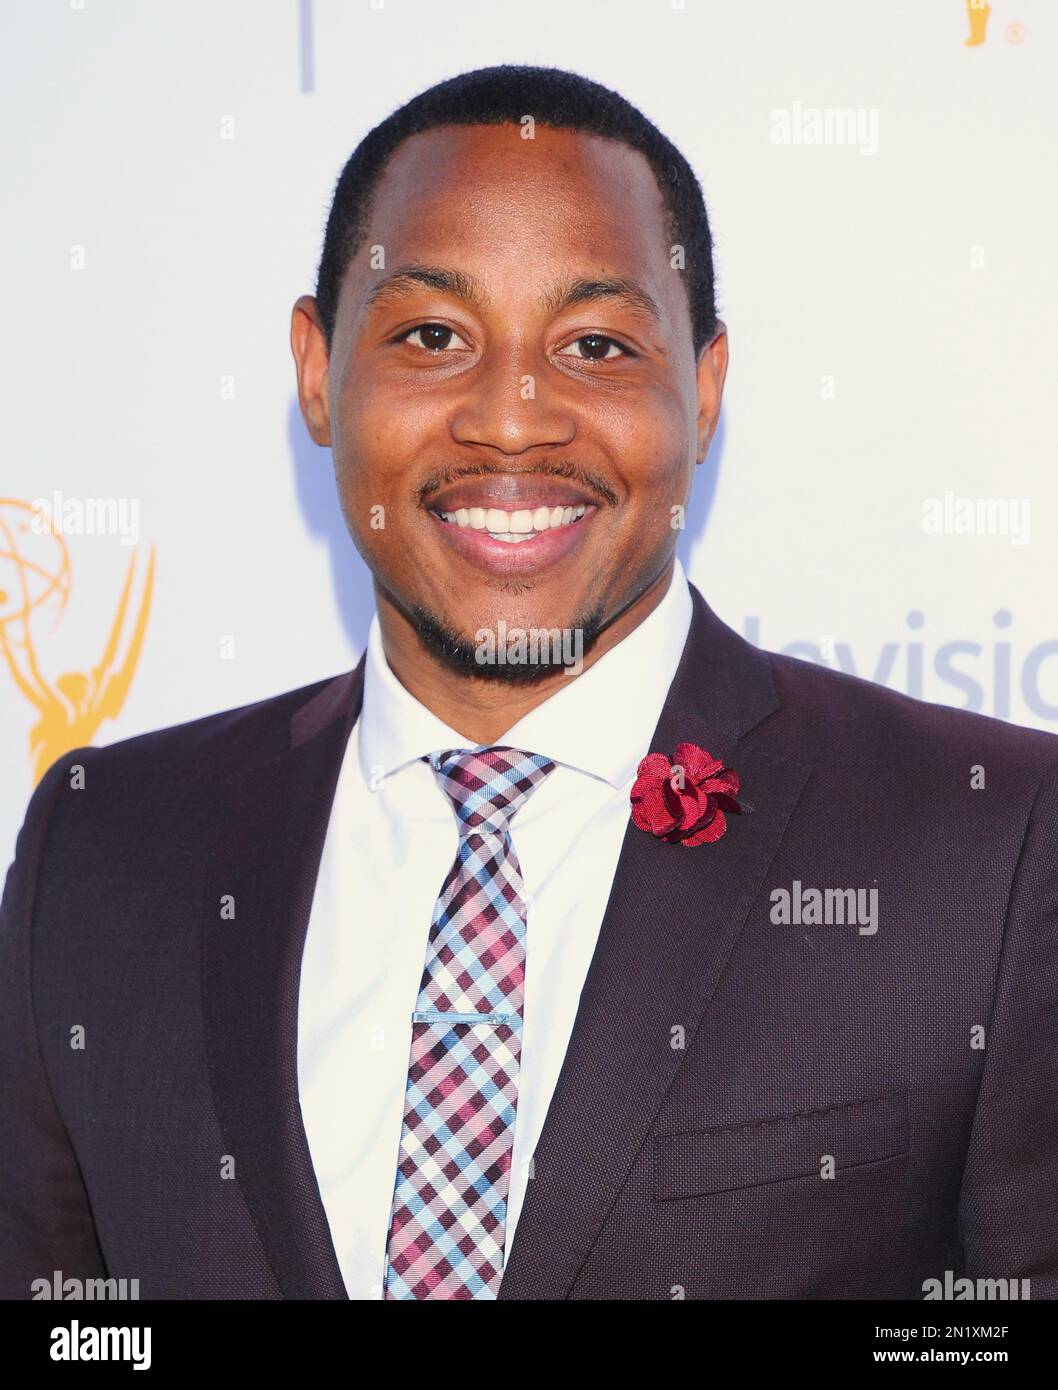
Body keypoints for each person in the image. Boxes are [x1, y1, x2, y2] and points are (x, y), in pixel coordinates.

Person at [2, 65, 1056, 1302]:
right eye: (432, 336)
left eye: (595, 345)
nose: (511, 420)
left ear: (702, 391)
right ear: (314, 370)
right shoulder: (104, 847)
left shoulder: (989, 844)